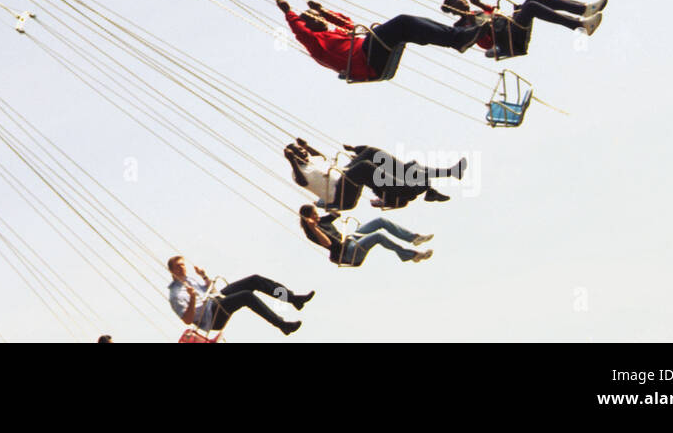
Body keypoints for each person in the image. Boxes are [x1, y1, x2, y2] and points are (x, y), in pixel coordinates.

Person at [278, 0, 484, 81]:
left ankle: (456, 37)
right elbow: (300, 31)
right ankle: (457, 39)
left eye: (320, 18)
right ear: (310, 25)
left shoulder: (337, 33)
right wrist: (289, 12)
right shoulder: (316, 42)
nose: (320, 20)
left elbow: (346, 23)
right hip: (366, 61)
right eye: (315, 20)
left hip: (371, 52)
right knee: (403, 22)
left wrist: (322, 10)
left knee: (410, 26)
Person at [284, 138, 464, 209]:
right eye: (299, 152)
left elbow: (319, 156)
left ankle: (406, 175)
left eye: (302, 151)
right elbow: (302, 182)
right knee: (364, 167)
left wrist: (307, 147)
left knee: (371, 153)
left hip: (345, 176)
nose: (302, 153)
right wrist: (292, 159)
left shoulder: (312, 160)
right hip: (339, 195)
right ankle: (406, 189)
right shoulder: (298, 171)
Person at [166, 255, 312, 336]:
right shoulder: (175, 294)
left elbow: (213, 291)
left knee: (254, 279)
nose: (182, 268)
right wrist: (192, 299)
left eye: (183, 265)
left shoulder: (189, 280)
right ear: (172, 271)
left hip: (215, 300)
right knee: (246, 296)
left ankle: (293, 299)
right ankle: (283, 325)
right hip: (211, 317)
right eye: (178, 266)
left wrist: (203, 276)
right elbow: (187, 320)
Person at [441, 0, 607, 57]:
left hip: (511, 27)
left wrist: (481, 4)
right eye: (458, 0)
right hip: (509, 40)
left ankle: (584, 9)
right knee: (530, 7)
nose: (462, 0)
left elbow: (493, 13)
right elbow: (484, 44)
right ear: (453, 9)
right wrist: (482, 29)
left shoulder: (475, 14)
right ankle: (580, 26)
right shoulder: (461, 26)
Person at [298, 205, 433, 266]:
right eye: (314, 215)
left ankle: (414, 238)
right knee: (378, 236)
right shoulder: (311, 232)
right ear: (308, 218)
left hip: (349, 240)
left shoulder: (321, 220)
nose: (317, 216)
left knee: (380, 221)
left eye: (316, 213)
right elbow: (327, 243)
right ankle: (412, 255)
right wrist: (313, 227)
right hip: (348, 254)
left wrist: (325, 205)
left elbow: (336, 214)